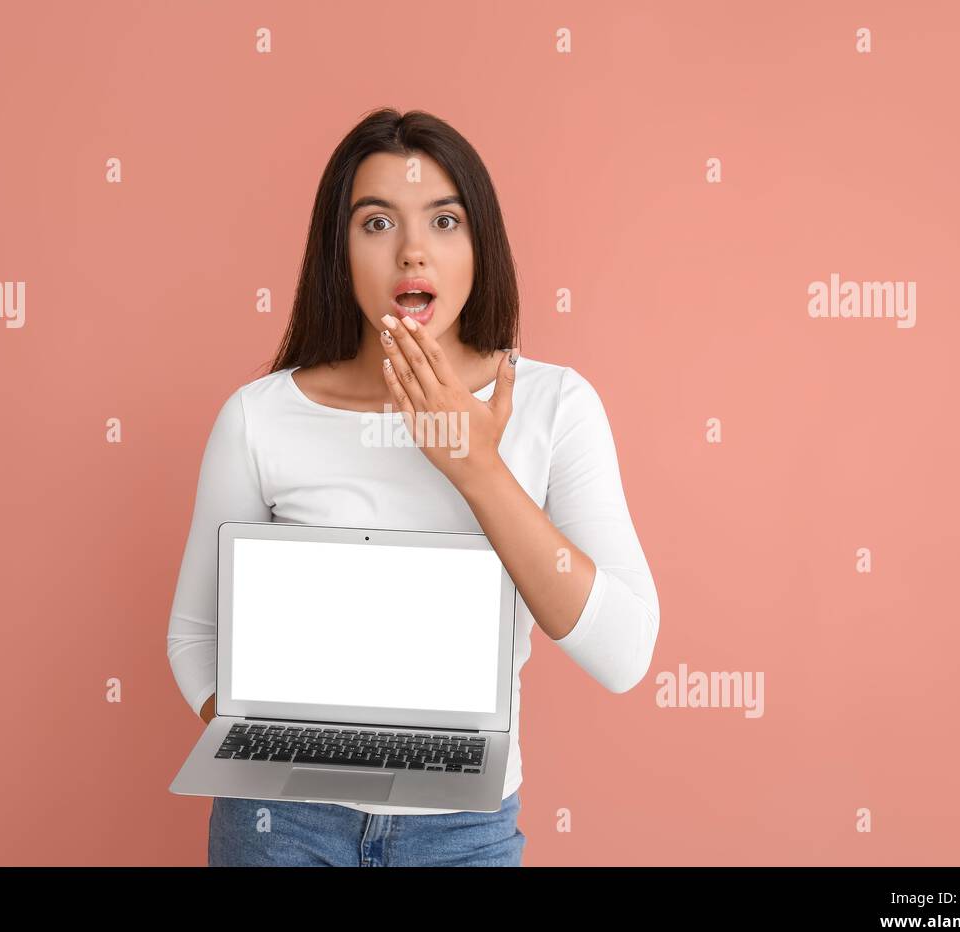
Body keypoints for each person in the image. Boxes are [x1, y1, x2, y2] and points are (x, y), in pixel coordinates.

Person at [167, 107, 661, 866]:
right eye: (376, 223)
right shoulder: (260, 417)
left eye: (443, 220)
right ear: (339, 250)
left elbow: (624, 653)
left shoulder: (554, 407)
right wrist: (271, 747)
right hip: (282, 822)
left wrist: (476, 468)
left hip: (461, 831)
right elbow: (195, 636)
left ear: (479, 244)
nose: (411, 252)